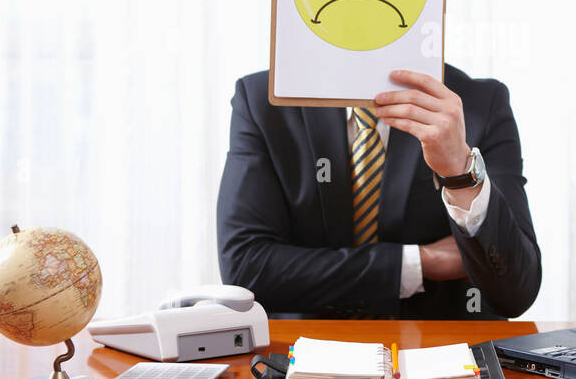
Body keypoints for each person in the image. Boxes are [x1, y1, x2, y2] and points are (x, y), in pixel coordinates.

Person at [216, 66, 540, 318]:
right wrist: (418, 263)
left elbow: (514, 292)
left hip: (447, 363)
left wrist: (458, 170)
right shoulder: (263, 99)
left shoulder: (475, 104)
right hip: (303, 361)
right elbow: (248, 269)